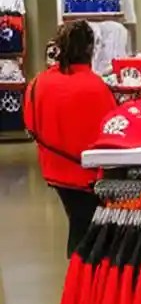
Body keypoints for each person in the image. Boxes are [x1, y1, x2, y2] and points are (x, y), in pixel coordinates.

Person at [23, 21, 117, 256]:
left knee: (78, 223)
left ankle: (78, 273)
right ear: (90, 49)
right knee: (87, 230)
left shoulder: (38, 83)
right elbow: (112, 134)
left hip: (55, 172)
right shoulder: (97, 88)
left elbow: (30, 124)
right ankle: (82, 279)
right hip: (88, 176)